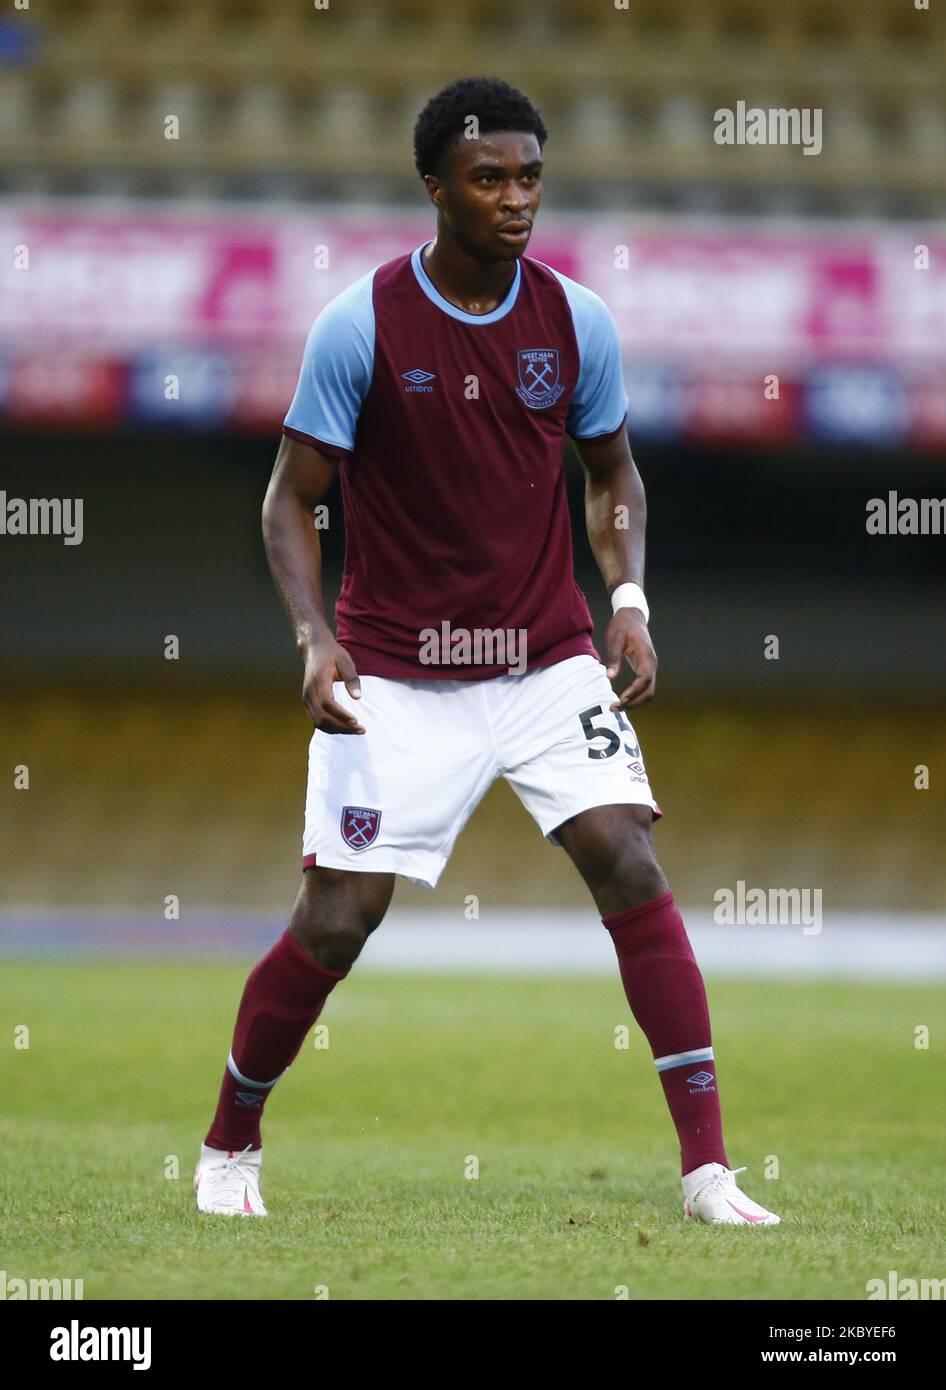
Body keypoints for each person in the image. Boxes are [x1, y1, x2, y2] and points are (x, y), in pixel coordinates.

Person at [194, 76, 780, 1228]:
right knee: (337, 920)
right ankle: (228, 1144)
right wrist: (313, 638)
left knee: (628, 858)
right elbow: (286, 502)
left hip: (544, 656)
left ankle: (708, 1171)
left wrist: (629, 600)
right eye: (490, 179)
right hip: (392, 672)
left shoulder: (576, 322)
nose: (517, 200)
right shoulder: (359, 325)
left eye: (530, 178)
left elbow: (613, 474)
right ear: (434, 188)